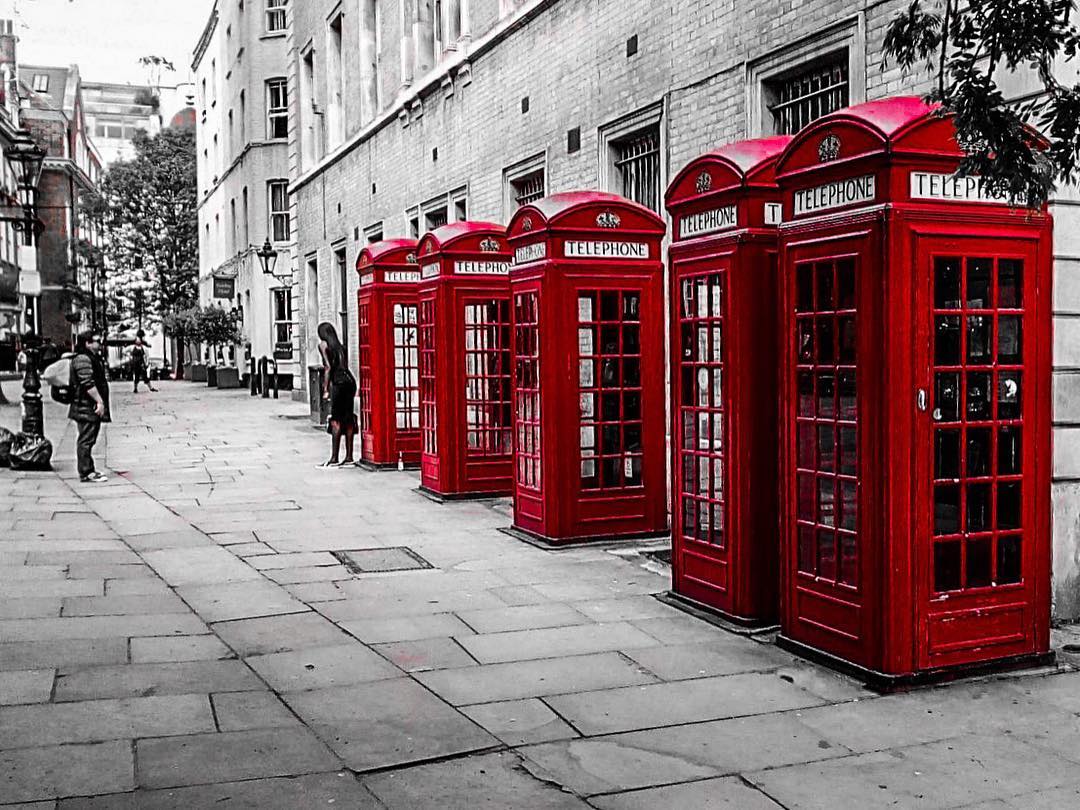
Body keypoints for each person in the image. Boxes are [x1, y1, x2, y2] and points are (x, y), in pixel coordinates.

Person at [68, 330, 111, 483]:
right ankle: (86, 471)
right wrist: (99, 402)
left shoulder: (88, 358)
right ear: (87, 343)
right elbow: (88, 383)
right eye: (97, 341)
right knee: (86, 440)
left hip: (85, 406)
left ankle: (88, 469)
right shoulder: (83, 359)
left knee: (88, 439)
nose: (100, 344)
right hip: (85, 406)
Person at [317, 321, 357, 468]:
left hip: (339, 384)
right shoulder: (340, 347)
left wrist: (325, 388)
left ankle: (334, 459)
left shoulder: (323, 345)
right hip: (350, 382)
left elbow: (328, 367)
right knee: (348, 418)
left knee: (335, 420)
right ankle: (349, 458)